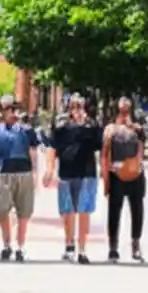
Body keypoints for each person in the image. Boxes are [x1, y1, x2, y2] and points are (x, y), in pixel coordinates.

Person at [45, 93, 102, 264]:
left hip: (87, 173)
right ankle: (69, 245)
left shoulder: (92, 125)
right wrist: (50, 169)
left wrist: (105, 171)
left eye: (80, 106)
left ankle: (82, 249)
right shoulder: (61, 125)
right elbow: (52, 147)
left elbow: (101, 147)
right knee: (68, 211)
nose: (76, 110)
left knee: (84, 211)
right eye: (73, 106)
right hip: (66, 172)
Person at [0, 94, 40, 262]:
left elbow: (33, 152)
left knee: (24, 211)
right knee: (1, 209)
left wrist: (35, 173)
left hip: (24, 172)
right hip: (2, 172)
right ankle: (7, 244)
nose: (11, 112)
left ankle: (20, 246)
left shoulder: (27, 130)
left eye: (13, 108)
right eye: (7, 109)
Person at [102, 97, 146, 262]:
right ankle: (114, 246)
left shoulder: (136, 129)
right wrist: (106, 179)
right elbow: (104, 154)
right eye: (122, 110)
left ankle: (133, 243)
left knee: (135, 209)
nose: (125, 113)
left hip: (130, 174)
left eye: (127, 110)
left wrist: (133, 127)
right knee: (117, 211)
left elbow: (142, 146)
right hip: (122, 175)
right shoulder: (111, 130)